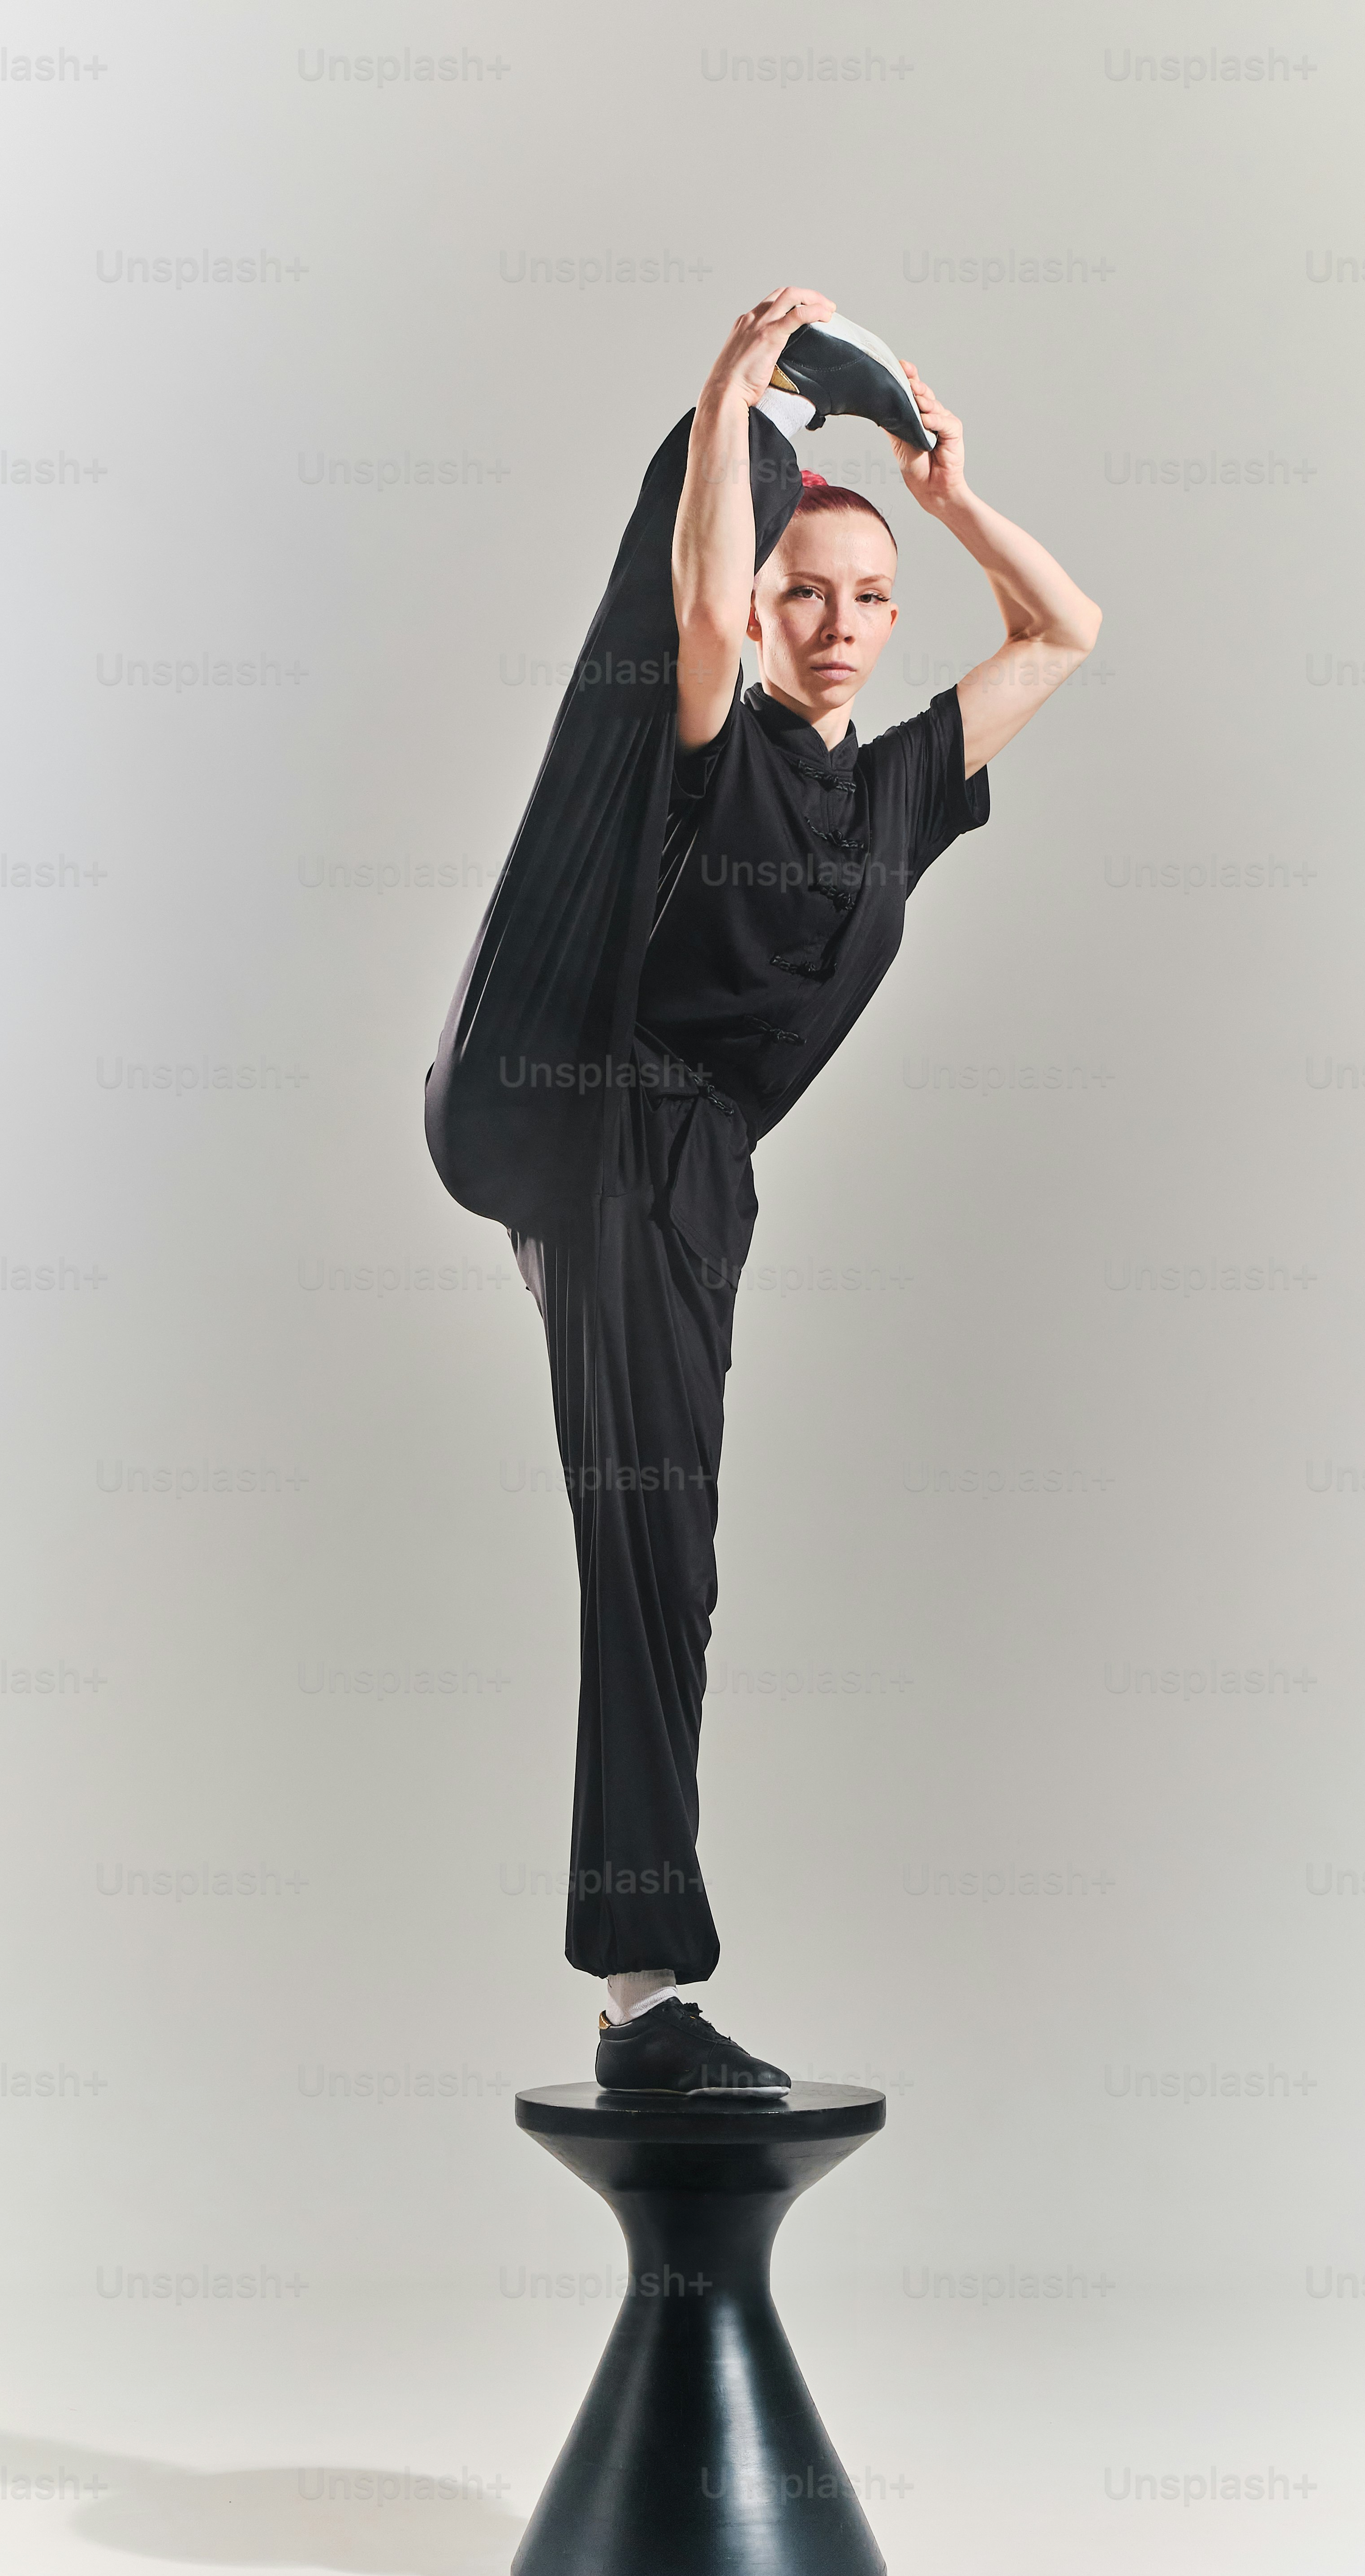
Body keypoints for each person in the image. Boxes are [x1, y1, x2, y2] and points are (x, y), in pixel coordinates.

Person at [424, 289, 1100, 2095]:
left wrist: (943, 500)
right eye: (805, 589)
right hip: (611, 1137)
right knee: (644, 1560)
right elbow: (697, 591)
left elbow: (1066, 630)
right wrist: (735, 400)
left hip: (702, 1189)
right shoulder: (707, 749)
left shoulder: (891, 798)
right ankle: (646, 1996)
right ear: (749, 604)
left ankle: (645, 1981)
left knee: (680, 1571)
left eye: (872, 600)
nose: (840, 626)